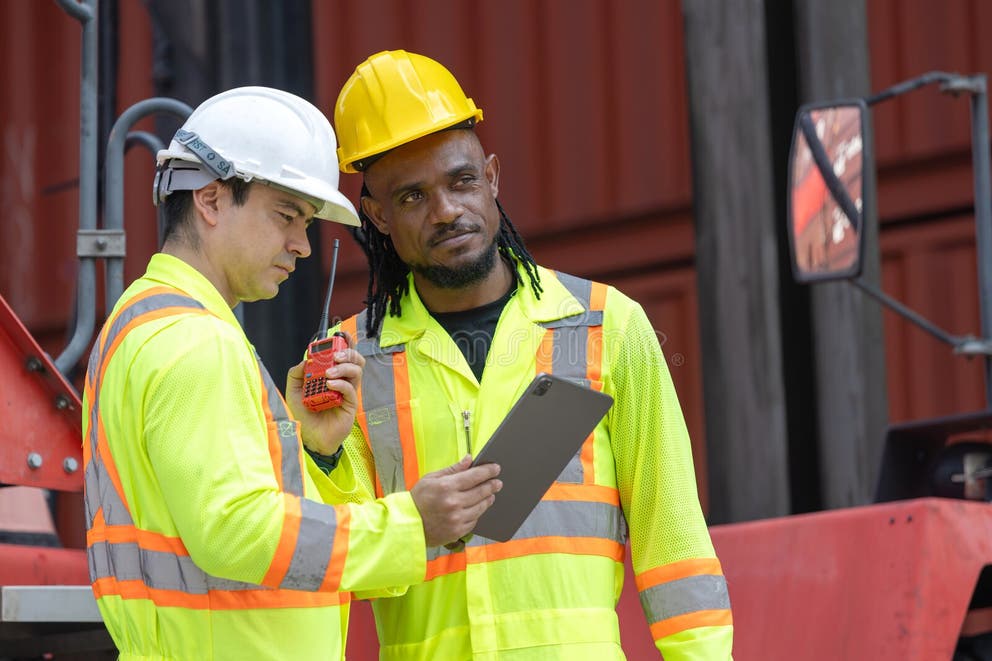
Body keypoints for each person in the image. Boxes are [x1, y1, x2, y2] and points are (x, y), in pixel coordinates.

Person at [326, 50, 734, 660]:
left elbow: (672, 540)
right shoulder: (345, 364)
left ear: (491, 177)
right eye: (412, 198)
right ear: (378, 215)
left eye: (461, 181)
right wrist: (322, 453)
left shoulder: (606, 325)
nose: (446, 211)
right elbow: (344, 567)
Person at [81, 86, 502, 661]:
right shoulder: (199, 342)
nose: (302, 245)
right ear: (209, 199)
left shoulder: (138, 326)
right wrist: (410, 523)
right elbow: (235, 532)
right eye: (287, 215)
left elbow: (208, 527)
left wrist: (315, 450)